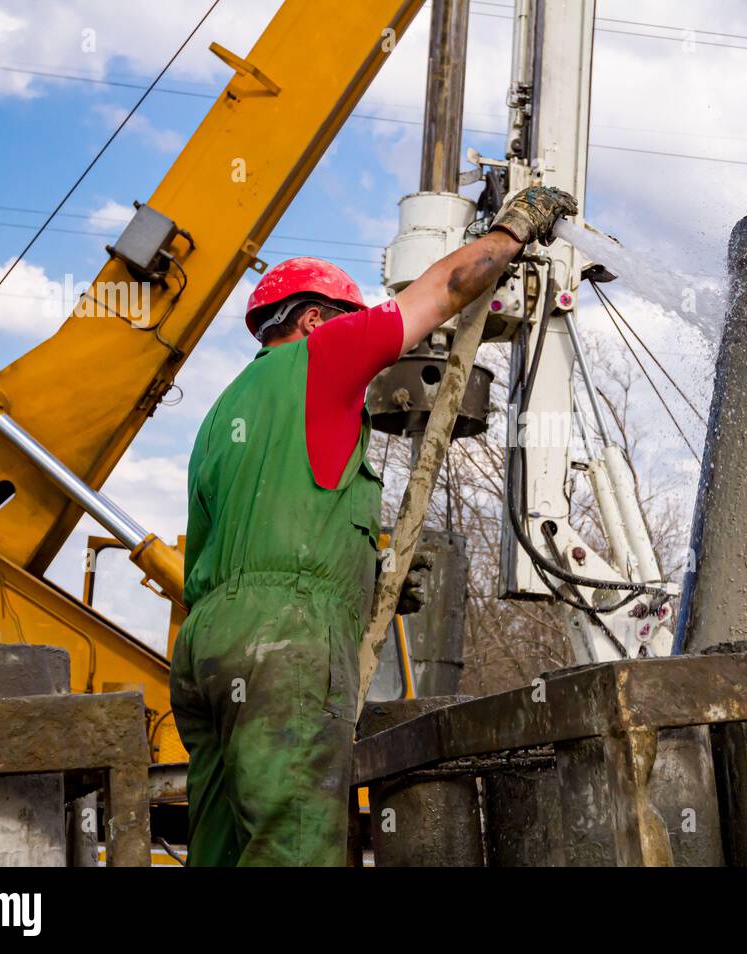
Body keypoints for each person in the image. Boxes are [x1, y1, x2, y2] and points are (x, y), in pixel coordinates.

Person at [169, 186, 578, 865]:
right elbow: (445, 287)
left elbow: (261, 540)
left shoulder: (224, 415)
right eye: (349, 322)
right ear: (310, 321)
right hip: (286, 644)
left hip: (206, 650)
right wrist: (510, 233)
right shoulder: (323, 358)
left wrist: (370, 575)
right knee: (295, 841)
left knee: (222, 845)